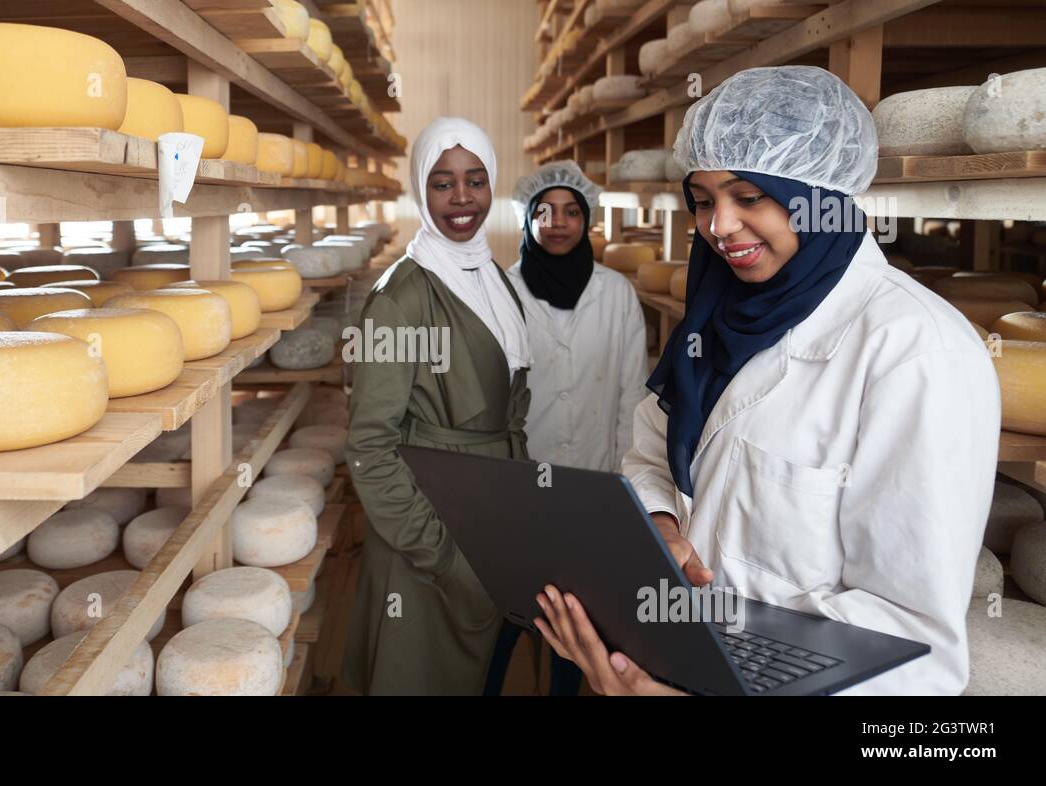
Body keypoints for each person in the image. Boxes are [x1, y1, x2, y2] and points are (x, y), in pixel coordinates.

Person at [534, 66, 1001, 696]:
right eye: (702, 200)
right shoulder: (715, 315)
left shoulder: (915, 352)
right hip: (674, 657)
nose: (718, 227)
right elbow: (650, 455)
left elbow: (914, 647)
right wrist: (664, 530)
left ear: (820, 193)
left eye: (748, 196)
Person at [344, 117, 532, 695]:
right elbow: (370, 447)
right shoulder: (401, 297)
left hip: (489, 519)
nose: (462, 199)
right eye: (443, 183)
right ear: (420, 189)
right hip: (427, 537)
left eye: (475, 181)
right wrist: (445, 558)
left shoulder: (490, 276)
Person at [483, 162, 648, 695]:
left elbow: (632, 392)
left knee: (577, 616)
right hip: (521, 480)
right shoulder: (500, 291)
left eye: (572, 211)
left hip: (594, 480)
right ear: (527, 218)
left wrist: (621, 483)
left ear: (588, 220)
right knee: (510, 612)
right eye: (545, 211)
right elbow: (491, 393)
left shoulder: (617, 293)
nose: (558, 222)